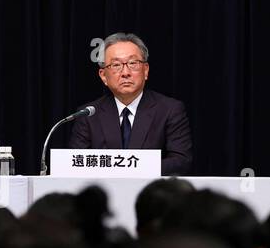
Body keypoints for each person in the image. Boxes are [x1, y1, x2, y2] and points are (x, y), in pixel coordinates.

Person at [69, 33, 193, 176]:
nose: (125, 73)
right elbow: (76, 164)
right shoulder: (88, 114)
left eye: (133, 63)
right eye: (116, 65)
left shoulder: (170, 110)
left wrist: (130, 169)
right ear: (103, 76)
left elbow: (181, 162)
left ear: (145, 70)